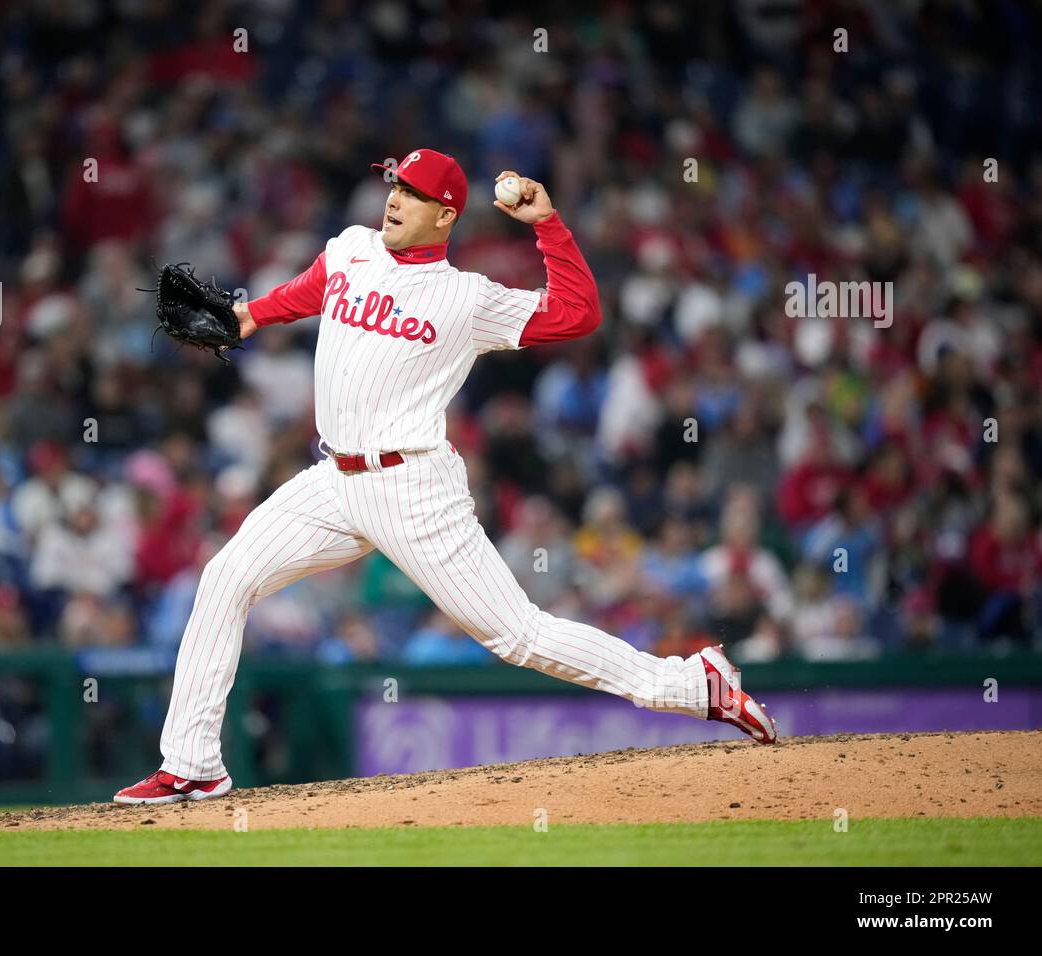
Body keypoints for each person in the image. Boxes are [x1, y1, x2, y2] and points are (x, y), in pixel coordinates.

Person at [115, 149, 777, 805]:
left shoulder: (467, 298)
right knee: (226, 577)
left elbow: (579, 313)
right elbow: (309, 291)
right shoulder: (352, 248)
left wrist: (546, 223)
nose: (394, 198)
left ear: (445, 214)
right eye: (392, 184)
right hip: (334, 480)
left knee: (518, 636)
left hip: (413, 488)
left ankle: (694, 686)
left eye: (411, 191)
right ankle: (194, 763)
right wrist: (247, 316)